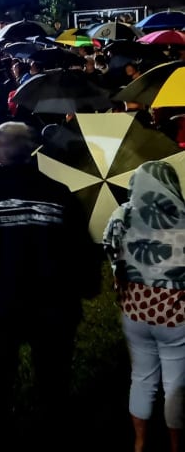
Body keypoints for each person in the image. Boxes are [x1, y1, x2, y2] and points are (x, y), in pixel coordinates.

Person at [0, 122, 102, 450]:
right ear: (32, 151)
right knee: (53, 376)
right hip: (53, 304)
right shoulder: (59, 192)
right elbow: (82, 249)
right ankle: (53, 431)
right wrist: (87, 285)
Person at [103, 161, 185, 452]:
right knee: (175, 384)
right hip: (175, 312)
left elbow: (110, 248)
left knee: (141, 377)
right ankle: (175, 445)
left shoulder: (123, 213)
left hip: (135, 308)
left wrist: (120, 274)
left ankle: (140, 443)